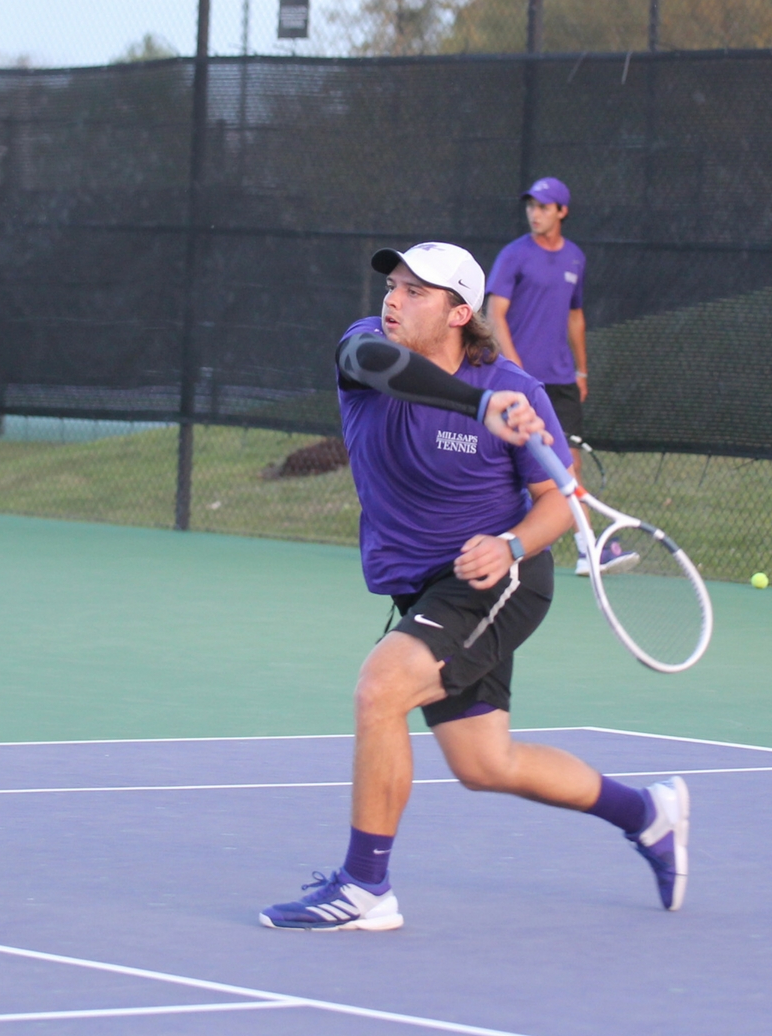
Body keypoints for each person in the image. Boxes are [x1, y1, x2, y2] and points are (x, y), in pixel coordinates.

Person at [258, 242, 689, 931]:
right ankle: (647, 813)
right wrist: (478, 405)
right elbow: (380, 365)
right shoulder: (367, 350)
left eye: (416, 292)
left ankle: (365, 888)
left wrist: (510, 544)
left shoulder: (521, 391)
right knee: (486, 762)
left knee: (380, 688)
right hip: (422, 585)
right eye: (393, 286)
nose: (393, 300)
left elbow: (558, 503)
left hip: (496, 580)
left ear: (460, 312)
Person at [486, 177, 617, 576]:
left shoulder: (575, 258)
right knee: (515, 470)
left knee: (569, 464)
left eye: (543, 207)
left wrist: (581, 369)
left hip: (560, 382)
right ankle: (512, 544)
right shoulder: (514, 255)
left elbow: (576, 317)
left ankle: (587, 549)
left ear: (562, 211)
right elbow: (494, 314)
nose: (535, 213)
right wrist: (516, 370)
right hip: (518, 383)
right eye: (531, 206)